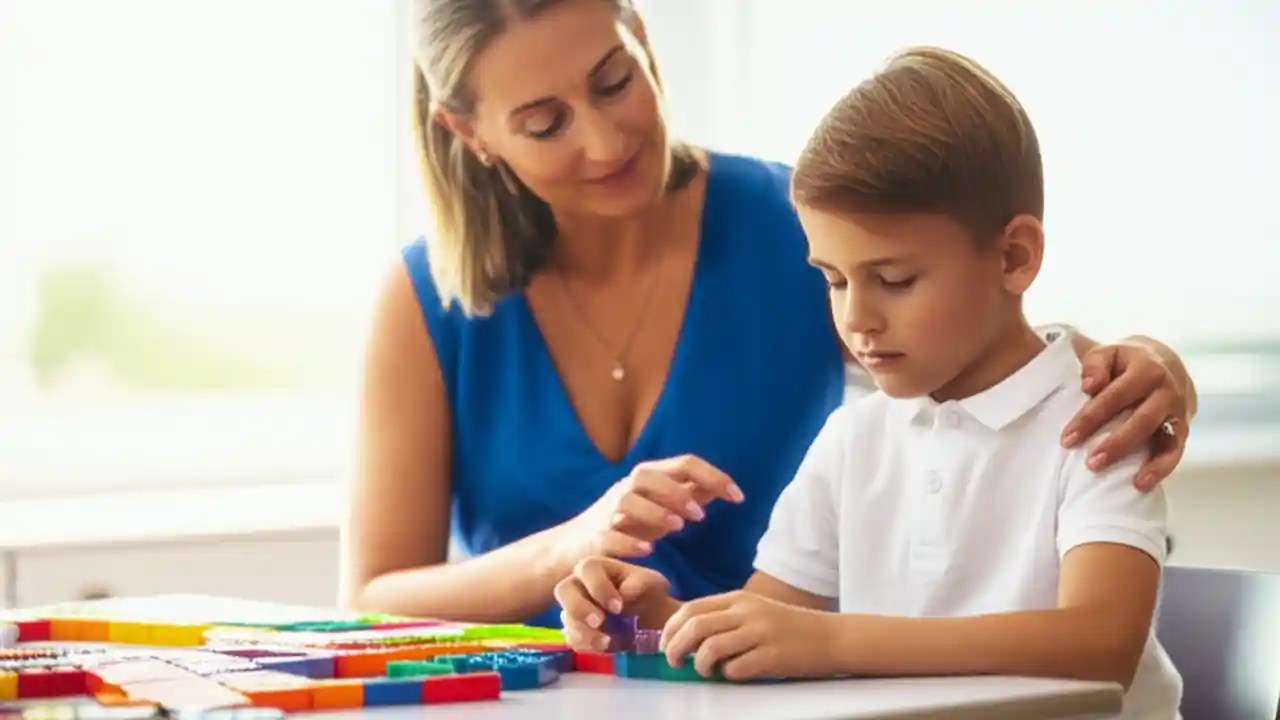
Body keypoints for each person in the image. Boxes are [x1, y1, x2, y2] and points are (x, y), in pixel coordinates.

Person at [341, 0, 1198, 630]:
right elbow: (373, 598)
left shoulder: (788, 224)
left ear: (639, 34)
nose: (605, 141)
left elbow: (991, 343)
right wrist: (572, 546)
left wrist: (1145, 361)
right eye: (544, 122)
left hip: (758, 689)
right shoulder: (426, 301)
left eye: (614, 81)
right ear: (469, 131)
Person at [553, 47, 1182, 716]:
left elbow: (1102, 642)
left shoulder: (1107, 414)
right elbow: (768, 626)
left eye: (894, 281)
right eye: (833, 279)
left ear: (1014, 256)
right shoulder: (855, 438)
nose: (857, 319)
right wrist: (661, 623)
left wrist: (835, 641)